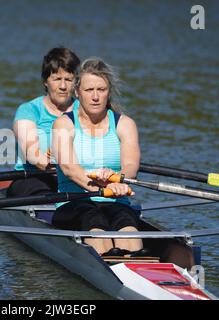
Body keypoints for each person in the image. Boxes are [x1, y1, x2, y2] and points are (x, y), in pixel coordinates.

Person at [51, 57, 143, 256]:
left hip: (115, 202)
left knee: (126, 221)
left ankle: (136, 267)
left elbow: (130, 166)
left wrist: (121, 179)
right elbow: (70, 170)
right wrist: (105, 186)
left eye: (101, 90)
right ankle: (111, 268)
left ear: (108, 92)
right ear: (77, 92)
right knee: (93, 218)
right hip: (73, 203)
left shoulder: (125, 124)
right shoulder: (63, 124)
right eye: (89, 90)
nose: (95, 97)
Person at [7, 47, 80, 197]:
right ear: (45, 81)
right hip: (33, 177)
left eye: (68, 79)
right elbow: (33, 154)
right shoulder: (29, 110)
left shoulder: (84, 110)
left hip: (77, 177)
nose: (63, 86)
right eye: (57, 79)